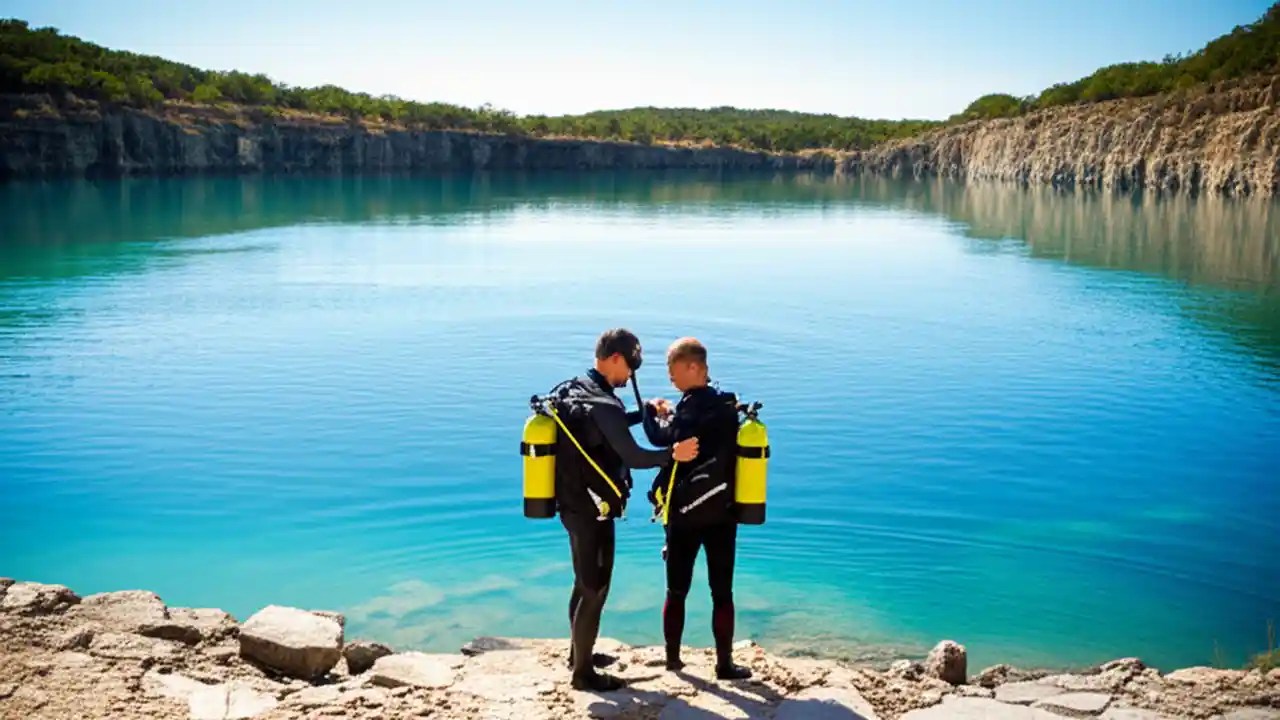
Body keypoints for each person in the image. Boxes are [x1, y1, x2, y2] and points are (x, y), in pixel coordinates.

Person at [544, 328, 700, 692]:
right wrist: (670, 456)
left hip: (572, 503)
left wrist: (641, 411)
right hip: (592, 509)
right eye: (630, 367)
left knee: (583, 584)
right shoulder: (604, 402)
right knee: (595, 587)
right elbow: (634, 455)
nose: (630, 376)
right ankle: (583, 674)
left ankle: (578, 654)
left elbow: (606, 424)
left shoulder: (581, 388)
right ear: (615, 358)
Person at [644, 337, 753, 680]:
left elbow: (660, 438)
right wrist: (671, 413)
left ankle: (673, 661)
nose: (670, 377)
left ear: (694, 367)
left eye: (672, 368)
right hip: (723, 513)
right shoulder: (727, 407)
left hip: (684, 516)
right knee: (722, 592)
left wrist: (651, 411)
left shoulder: (688, 410)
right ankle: (724, 665)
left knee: (676, 590)